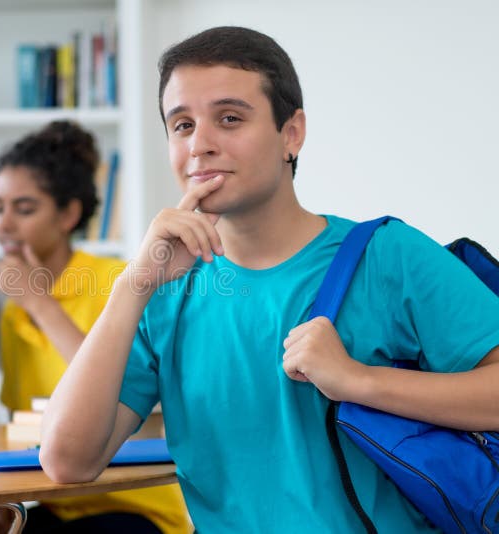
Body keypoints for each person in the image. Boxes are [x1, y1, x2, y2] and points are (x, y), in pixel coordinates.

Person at [39, 27, 499, 533]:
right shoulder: (163, 290)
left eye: (229, 118)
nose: (200, 145)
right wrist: (133, 288)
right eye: (182, 125)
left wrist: (359, 381)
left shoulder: (388, 256)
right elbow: (67, 461)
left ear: (291, 134)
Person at [0, 120, 189, 534]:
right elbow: (21, 422)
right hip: (59, 499)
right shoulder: (15, 310)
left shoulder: (119, 283)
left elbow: (104, 399)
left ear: (69, 214)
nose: (3, 225)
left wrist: (40, 304)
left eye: (24, 209)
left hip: (132, 505)